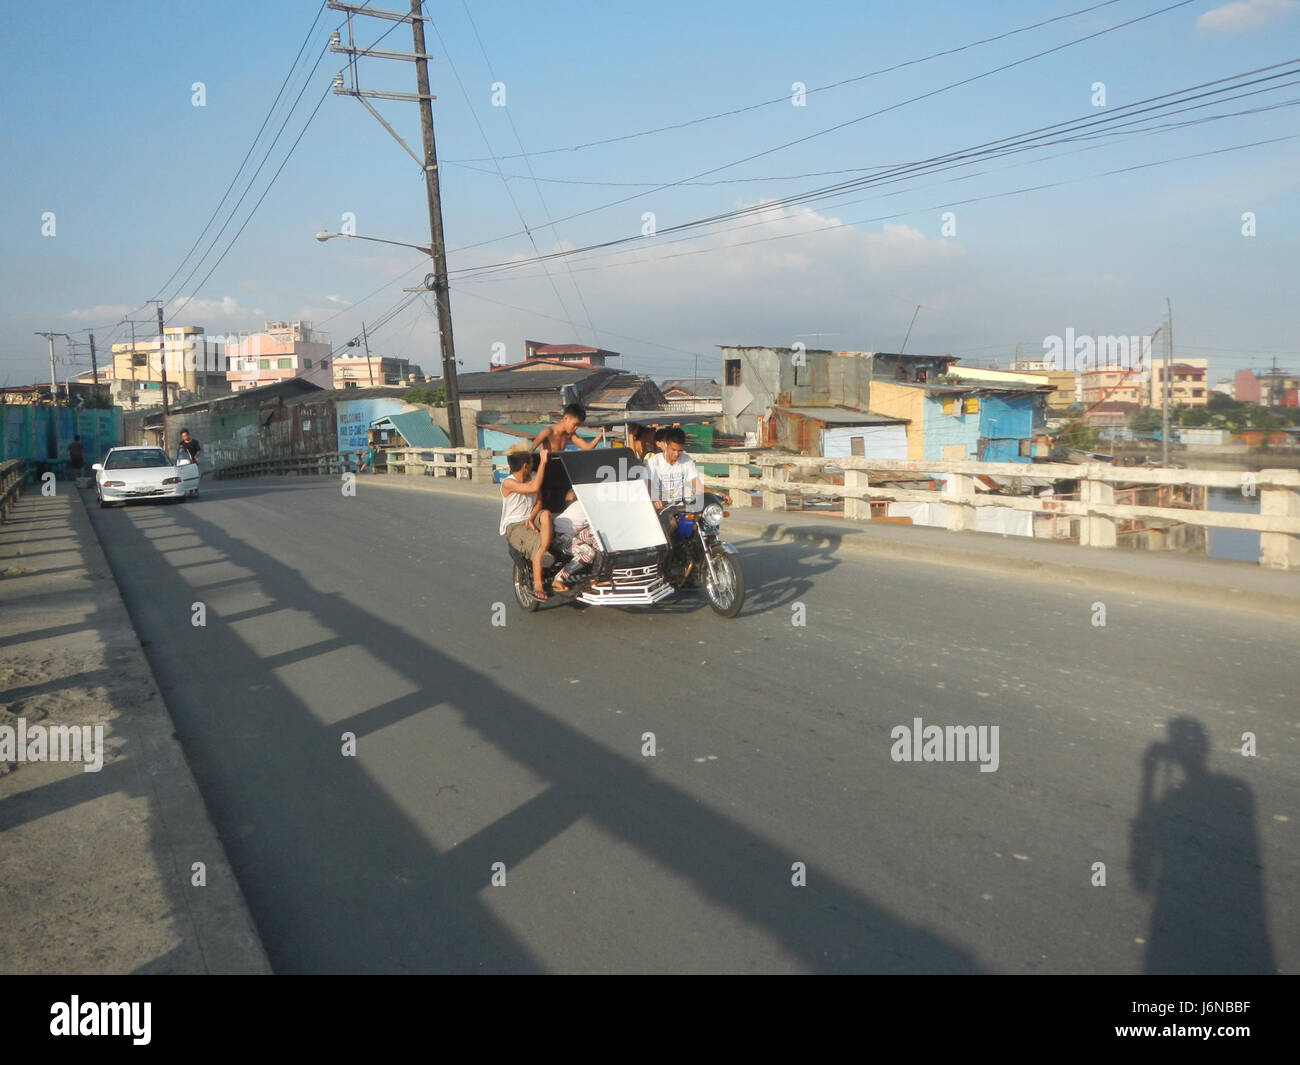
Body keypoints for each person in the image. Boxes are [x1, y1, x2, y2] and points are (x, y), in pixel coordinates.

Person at [499, 446, 553, 599]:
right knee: (536, 543)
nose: (533, 466)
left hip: (530, 517)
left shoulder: (533, 476)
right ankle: (538, 584)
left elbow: (539, 502)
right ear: (525, 466)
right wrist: (543, 462)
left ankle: (544, 550)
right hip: (515, 525)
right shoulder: (508, 483)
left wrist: (530, 518)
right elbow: (533, 488)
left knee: (546, 515)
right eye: (531, 463)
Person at [646, 427, 702, 513]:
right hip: (661, 508)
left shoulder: (687, 460)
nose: (676, 454)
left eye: (680, 451)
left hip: (682, 507)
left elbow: (697, 485)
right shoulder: (653, 462)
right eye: (673, 450)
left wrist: (717, 493)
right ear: (666, 445)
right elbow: (649, 486)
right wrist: (655, 500)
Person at [532, 403, 606, 453]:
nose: (576, 428)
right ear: (566, 418)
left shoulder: (570, 434)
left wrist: (601, 434)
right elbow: (531, 449)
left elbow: (587, 448)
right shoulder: (547, 432)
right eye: (574, 424)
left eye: (578, 425)